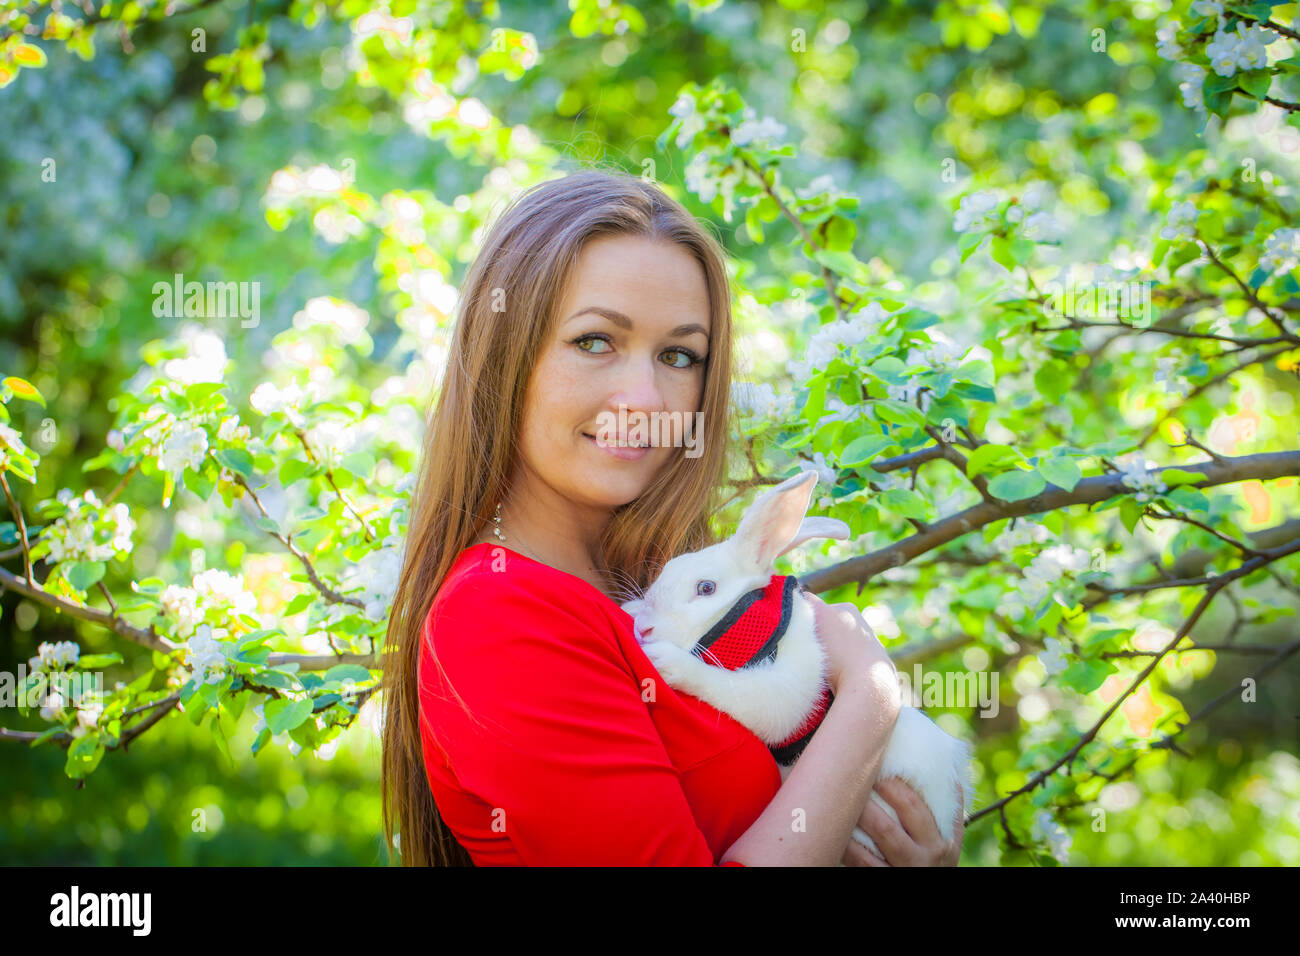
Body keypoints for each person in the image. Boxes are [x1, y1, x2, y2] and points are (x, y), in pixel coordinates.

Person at [380, 166, 966, 866]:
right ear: (504, 352)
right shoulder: (499, 613)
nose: (647, 399)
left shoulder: (666, 582)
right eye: (595, 341)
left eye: (679, 355)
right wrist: (870, 699)